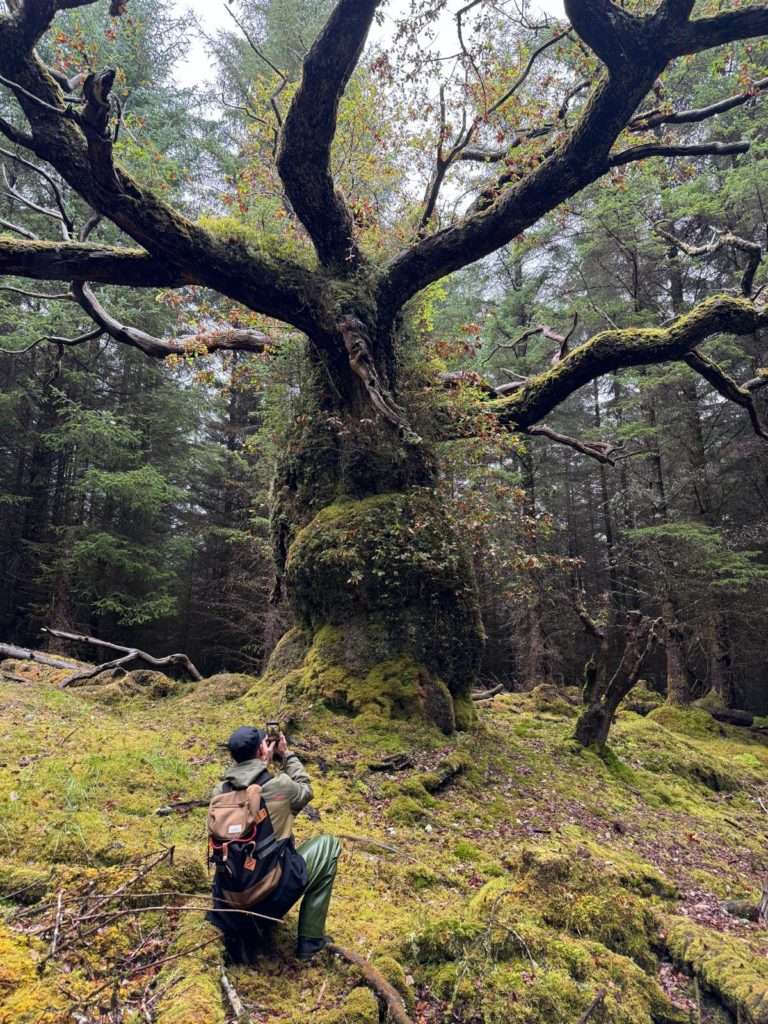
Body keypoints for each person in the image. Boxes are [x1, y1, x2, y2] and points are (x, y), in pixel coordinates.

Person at [208, 725, 341, 964]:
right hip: (268, 900)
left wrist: (261, 762)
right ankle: (311, 942)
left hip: (228, 905)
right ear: (262, 749)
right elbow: (305, 788)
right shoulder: (279, 786)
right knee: (328, 845)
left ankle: (245, 932)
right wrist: (285, 754)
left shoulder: (219, 793)